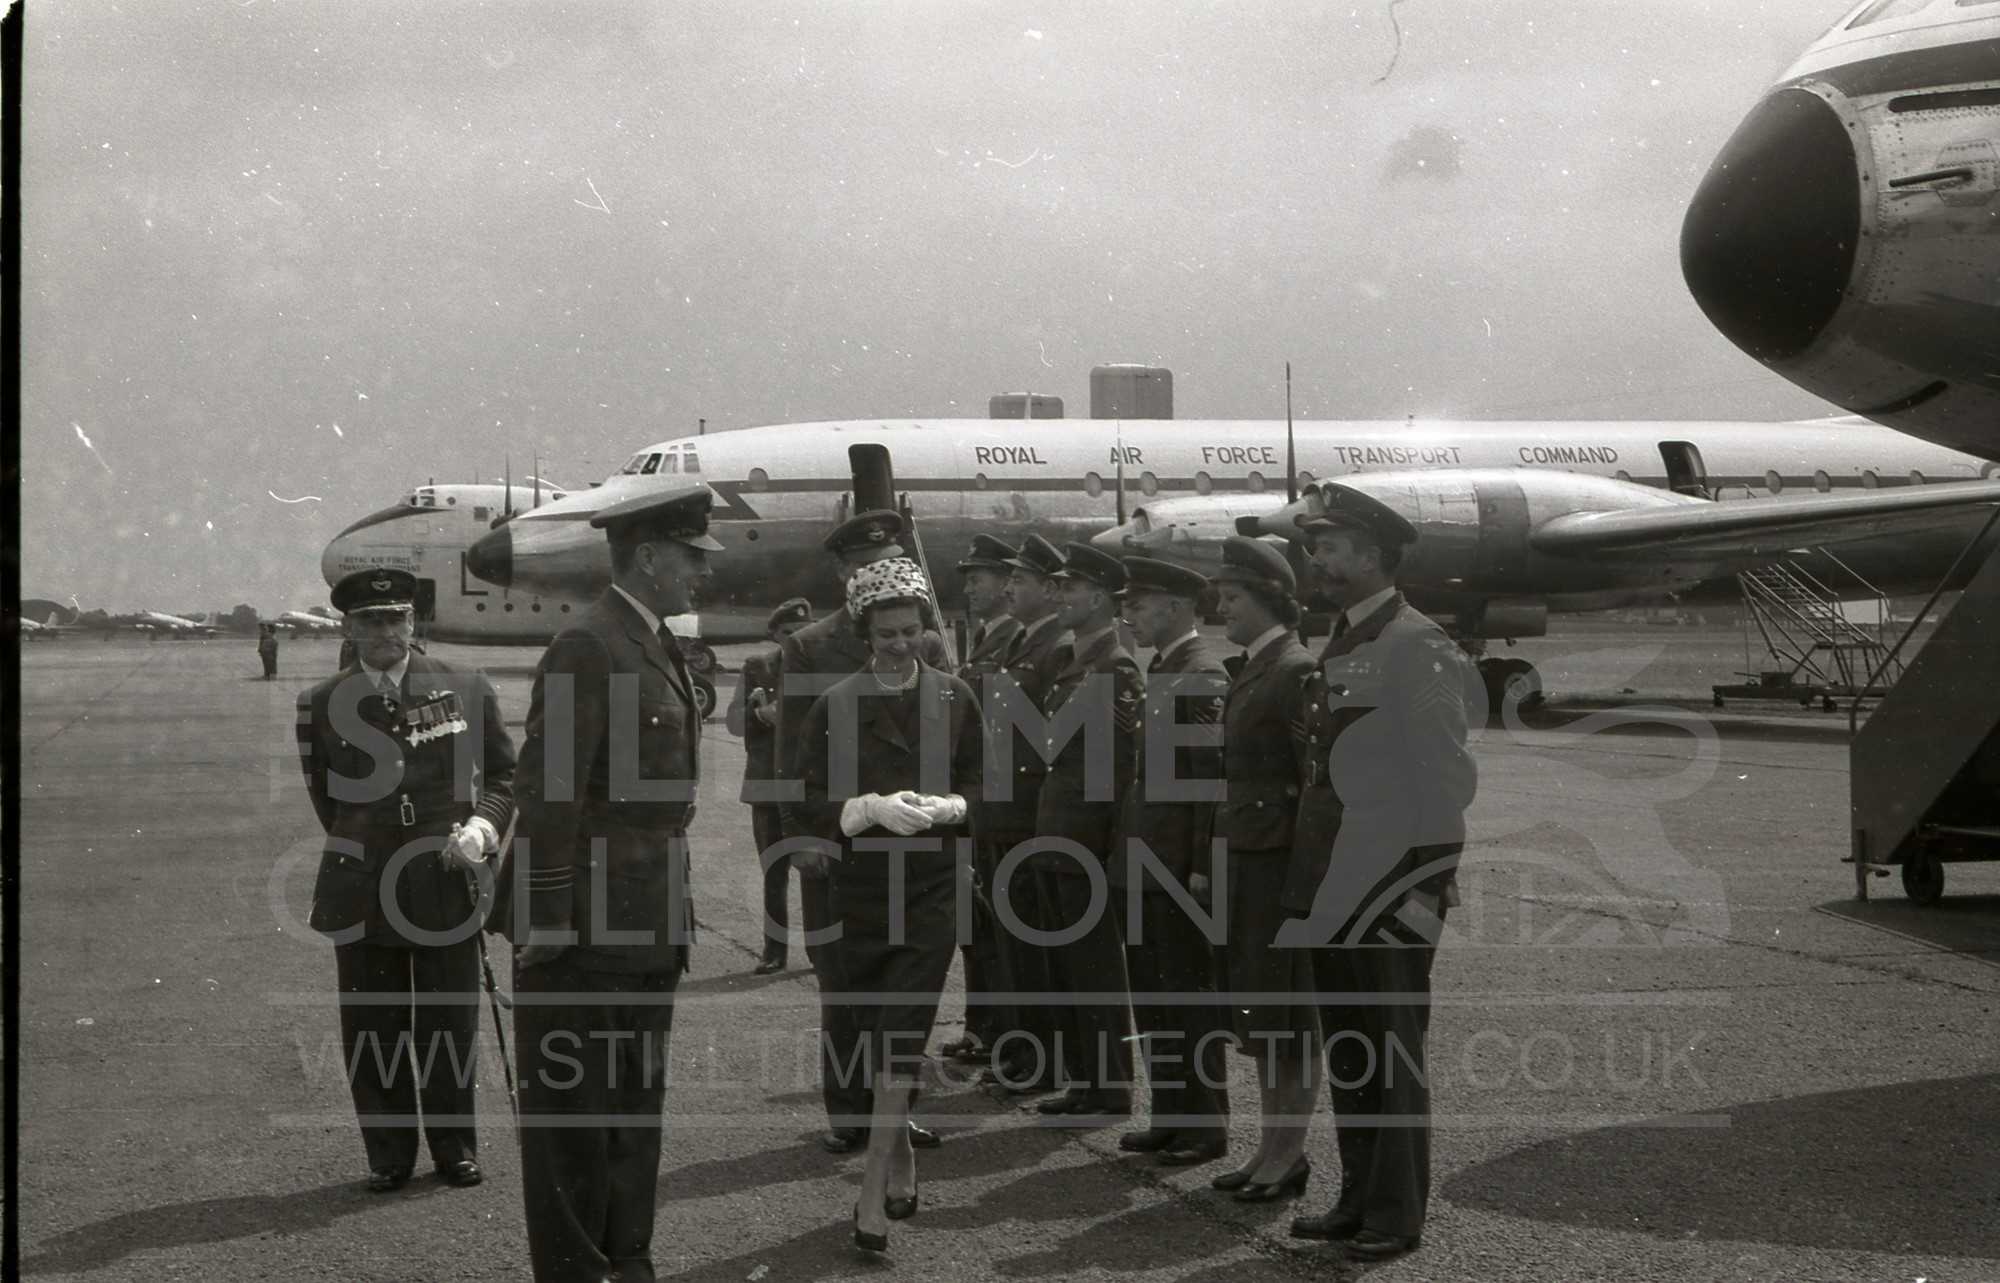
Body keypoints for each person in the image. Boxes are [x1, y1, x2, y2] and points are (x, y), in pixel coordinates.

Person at [498, 484, 718, 1283]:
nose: (701, 572)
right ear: (650, 556)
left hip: (648, 918)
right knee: (572, 1125)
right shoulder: (588, 644)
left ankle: (628, 1260)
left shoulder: (652, 641)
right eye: (691, 556)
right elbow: (547, 790)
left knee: (633, 1113)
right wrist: (548, 912)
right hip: (585, 927)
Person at [1278, 489, 1476, 1262]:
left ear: (1373, 555)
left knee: (1390, 1050)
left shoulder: (1415, 642)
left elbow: (1444, 775)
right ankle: (1357, 1198)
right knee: (1353, 1049)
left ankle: (1395, 1213)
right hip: (1334, 882)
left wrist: (1426, 885)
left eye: (1330, 547)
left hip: (1390, 884)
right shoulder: (1347, 636)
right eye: (1314, 547)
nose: (1316, 561)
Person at [294, 568, 515, 1193]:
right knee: (372, 1024)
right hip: (362, 884)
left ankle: (454, 1149)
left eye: (395, 618)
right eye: (370, 621)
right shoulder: (320, 702)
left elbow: (504, 775)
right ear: (348, 628)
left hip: (445, 874)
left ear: (413, 621)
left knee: (449, 1022)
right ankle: (389, 1154)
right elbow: (327, 799)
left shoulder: (465, 685)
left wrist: (483, 828)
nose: (384, 631)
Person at [791, 556, 984, 1254]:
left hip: (931, 891)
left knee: (901, 1035)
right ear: (863, 633)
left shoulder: (955, 697)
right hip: (859, 897)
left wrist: (954, 806)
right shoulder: (835, 704)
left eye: (911, 631)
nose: (901, 644)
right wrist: (864, 808)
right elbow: (803, 801)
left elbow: (983, 785)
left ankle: (870, 1193)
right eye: (886, 634)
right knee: (876, 1035)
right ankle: (899, 1154)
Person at [774, 509, 948, 1154]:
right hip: (839, 836)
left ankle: (895, 1112)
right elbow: (789, 754)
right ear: (845, 574)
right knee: (846, 983)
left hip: (916, 841)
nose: (885, 573)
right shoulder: (809, 646)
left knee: (907, 985)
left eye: (893, 561)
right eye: (870, 565)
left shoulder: (924, 641)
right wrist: (801, 836)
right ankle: (850, 1112)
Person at [1205, 537, 1321, 1202]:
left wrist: (1305, 882)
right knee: (1265, 1016)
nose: (1222, 608)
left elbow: (1314, 784)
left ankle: (1288, 1154)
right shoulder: (1258, 667)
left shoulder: (1294, 670)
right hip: (1250, 863)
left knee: (1291, 1020)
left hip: (1281, 869)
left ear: (1269, 600)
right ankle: (1270, 1149)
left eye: (1233, 597)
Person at [1112, 556, 1232, 1166]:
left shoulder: (1201, 673)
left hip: (1177, 866)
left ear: (1178, 607)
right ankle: (1170, 1115)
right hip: (1147, 858)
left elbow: (1207, 783)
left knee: (1187, 996)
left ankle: (1204, 1125)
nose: (1128, 616)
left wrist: (1200, 866)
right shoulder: (1164, 667)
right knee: (1155, 995)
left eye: (1138, 605)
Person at [1031, 542, 1141, 1122]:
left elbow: (1122, 771)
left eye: (1069, 588)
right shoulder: (1072, 661)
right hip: (1059, 833)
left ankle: (1110, 1087)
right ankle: (1084, 1081)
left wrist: (1112, 849)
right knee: (1068, 965)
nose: (1059, 597)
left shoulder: (1114, 668)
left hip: (1088, 842)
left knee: (1095, 967)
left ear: (1099, 598)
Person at [979, 533, 1071, 1091]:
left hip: (1029, 814)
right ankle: (1023, 1050)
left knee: (1035, 945)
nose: (1009, 588)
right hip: (1004, 812)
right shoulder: (1023, 641)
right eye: (1009, 579)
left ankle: (1044, 1060)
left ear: (1050, 589)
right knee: (1013, 943)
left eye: (1020, 580)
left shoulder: (1058, 646)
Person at [938, 533, 1024, 1070]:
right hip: (976, 806)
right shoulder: (988, 639)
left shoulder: (1014, 640)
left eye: (980, 578)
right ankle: (982, 1026)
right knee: (976, 927)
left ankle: (1000, 1032)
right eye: (967, 580)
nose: (970, 589)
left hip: (998, 807)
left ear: (1008, 583)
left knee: (993, 928)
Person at [727, 596, 814, 975]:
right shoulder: (757, 667)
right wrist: (760, 714)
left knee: (817, 872)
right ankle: (774, 951)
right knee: (774, 873)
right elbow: (733, 722)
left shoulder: (822, 666)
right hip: (767, 786)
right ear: (775, 634)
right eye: (788, 632)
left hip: (811, 787)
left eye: (803, 632)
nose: (795, 639)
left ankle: (820, 951)